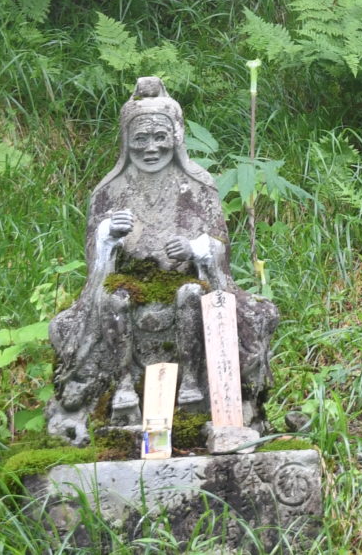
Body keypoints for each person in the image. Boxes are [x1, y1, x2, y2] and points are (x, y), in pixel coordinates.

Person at [45, 79, 277, 446]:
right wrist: (108, 233)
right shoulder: (109, 191)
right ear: (126, 140)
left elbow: (219, 244)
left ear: (176, 136)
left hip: (184, 282)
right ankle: (122, 386)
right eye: (140, 138)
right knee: (111, 300)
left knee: (194, 297)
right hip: (128, 285)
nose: (150, 148)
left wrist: (196, 248)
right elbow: (94, 254)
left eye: (159, 137)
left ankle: (192, 385)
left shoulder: (198, 184)